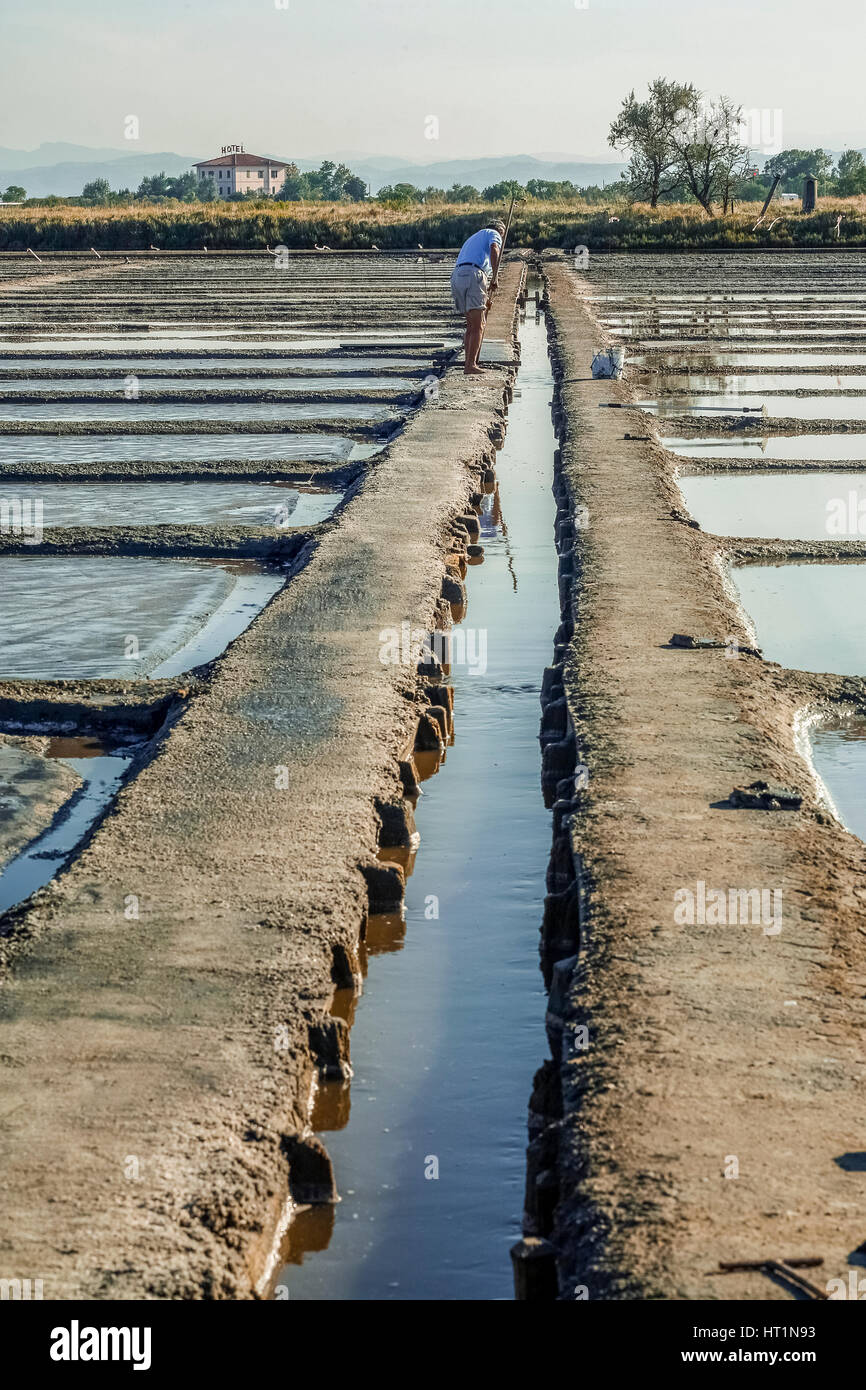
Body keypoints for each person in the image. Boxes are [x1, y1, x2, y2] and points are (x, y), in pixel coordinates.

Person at [450, 219, 505, 375]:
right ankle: (470, 366)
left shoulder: (474, 237)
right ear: (500, 231)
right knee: (479, 324)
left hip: (457, 276)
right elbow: (495, 249)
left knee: (471, 325)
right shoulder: (494, 234)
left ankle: (469, 363)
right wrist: (495, 277)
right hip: (473, 274)